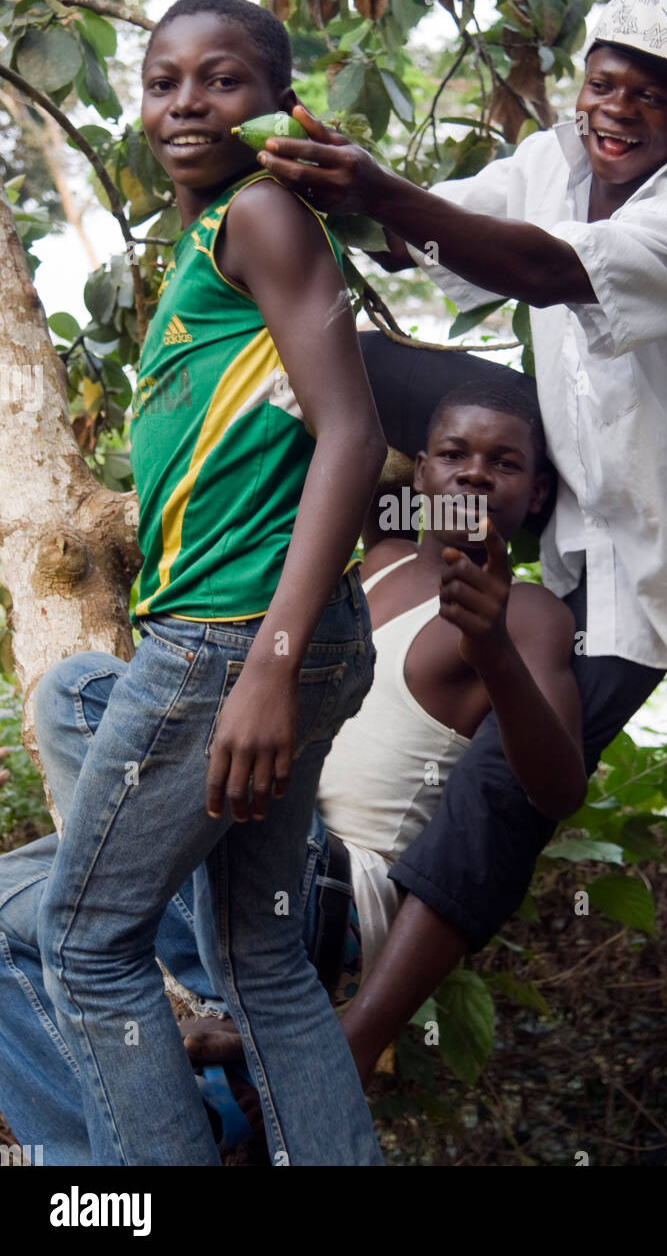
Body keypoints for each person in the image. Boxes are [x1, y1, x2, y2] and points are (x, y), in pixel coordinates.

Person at [256, 0, 667, 1075]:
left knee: (513, 779)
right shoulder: (548, 161)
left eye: (655, 96)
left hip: (650, 547)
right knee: (316, 366)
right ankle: (291, 536)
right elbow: (436, 230)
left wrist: (389, 191)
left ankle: (357, 1039)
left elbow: (537, 266)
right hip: (556, 463)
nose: (618, 108)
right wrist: (342, 184)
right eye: (605, 81)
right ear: (581, 79)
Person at [0, 382, 585, 1159]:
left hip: (324, 894)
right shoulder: (366, 568)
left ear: (537, 491)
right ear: (419, 477)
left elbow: (556, 791)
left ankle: (202, 971)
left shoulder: (532, 614)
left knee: (79, 690)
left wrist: (497, 658)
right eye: (454, 454)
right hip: (243, 835)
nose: (474, 475)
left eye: (504, 462)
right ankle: (143, 1141)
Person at [18, 0, 387, 1167]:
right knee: (264, 959)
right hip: (267, 635)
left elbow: (352, 434)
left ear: (277, 100)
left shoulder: (261, 217)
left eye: (220, 78)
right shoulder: (205, 241)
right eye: (163, 80)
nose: (185, 102)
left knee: (84, 943)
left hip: (236, 639)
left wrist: (271, 669)